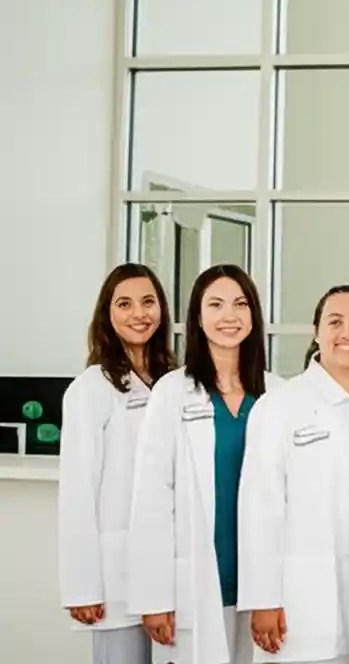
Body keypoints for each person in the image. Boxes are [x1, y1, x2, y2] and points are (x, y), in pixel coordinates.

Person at [238, 285, 349, 663]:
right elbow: (260, 511)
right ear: (316, 332)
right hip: (302, 599)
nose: (347, 332)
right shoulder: (279, 406)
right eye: (335, 322)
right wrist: (264, 599)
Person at [129, 264, 283, 664]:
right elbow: (151, 499)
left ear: (254, 315)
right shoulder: (172, 392)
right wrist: (154, 595)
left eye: (240, 304)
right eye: (215, 304)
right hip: (194, 581)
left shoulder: (279, 393)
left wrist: (279, 590)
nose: (229, 316)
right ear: (197, 317)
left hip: (263, 586)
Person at [59, 263, 175, 664]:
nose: (138, 313)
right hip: (115, 577)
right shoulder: (90, 389)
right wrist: (82, 587)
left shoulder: (175, 382)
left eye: (148, 302)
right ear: (106, 315)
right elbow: (77, 492)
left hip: (170, 571)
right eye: (124, 304)